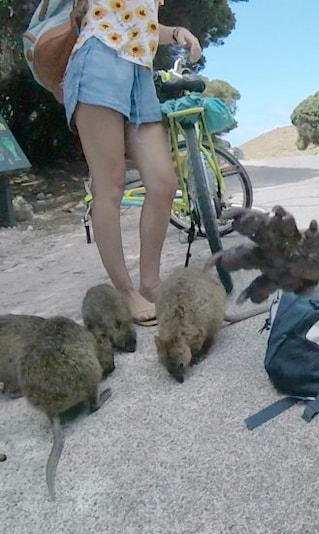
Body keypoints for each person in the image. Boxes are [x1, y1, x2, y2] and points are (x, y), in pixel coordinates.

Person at [62, 0, 202, 326]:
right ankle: (125, 291)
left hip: (140, 72)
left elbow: (146, 25)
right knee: (109, 185)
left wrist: (178, 32)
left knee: (164, 183)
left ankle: (150, 282)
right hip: (100, 58)